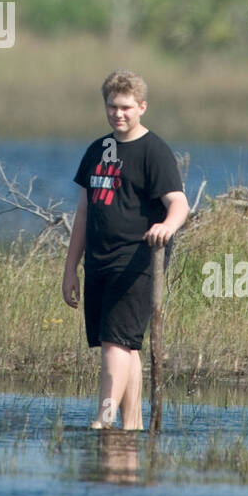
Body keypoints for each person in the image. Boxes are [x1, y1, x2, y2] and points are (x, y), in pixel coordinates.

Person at [62, 70, 189, 430]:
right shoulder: (97, 151)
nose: (118, 114)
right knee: (127, 347)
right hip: (99, 262)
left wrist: (166, 226)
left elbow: (179, 203)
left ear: (142, 107)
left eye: (126, 107)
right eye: (112, 106)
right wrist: (71, 268)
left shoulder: (154, 151)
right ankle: (131, 427)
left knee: (114, 343)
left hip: (138, 261)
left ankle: (103, 419)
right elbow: (84, 211)